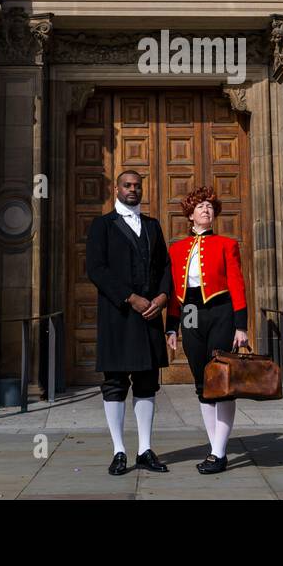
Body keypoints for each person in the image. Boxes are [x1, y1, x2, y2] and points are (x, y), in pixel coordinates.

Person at [85, 170, 172, 476]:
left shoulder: (152, 225)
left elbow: (165, 266)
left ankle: (145, 449)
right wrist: (130, 298)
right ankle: (119, 450)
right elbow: (96, 269)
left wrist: (161, 298)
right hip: (118, 315)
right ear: (117, 190)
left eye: (137, 186)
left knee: (147, 383)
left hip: (150, 315)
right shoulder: (102, 225)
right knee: (115, 384)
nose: (133, 190)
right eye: (128, 185)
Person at [165, 187, 248, 474]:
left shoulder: (227, 244)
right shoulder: (176, 249)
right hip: (189, 313)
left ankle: (219, 452)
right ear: (190, 214)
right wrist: (171, 328)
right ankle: (215, 447)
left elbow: (237, 285)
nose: (206, 210)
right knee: (201, 380)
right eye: (200, 206)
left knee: (220, 378)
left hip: (221, 313)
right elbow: (176, 291)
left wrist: (241, 326)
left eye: (210, 207)